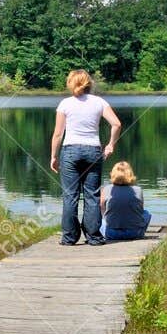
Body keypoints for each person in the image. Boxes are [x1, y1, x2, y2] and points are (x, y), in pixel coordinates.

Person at [49, 69, 121, 246]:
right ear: (89, 83)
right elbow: (117, 124)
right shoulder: (99, 102)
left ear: (71, 83)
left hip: (70, 151)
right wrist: (111, 144)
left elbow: (58, 134)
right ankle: (94, 237)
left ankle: (69, 238)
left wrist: (53, 156)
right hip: (93, 151)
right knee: (92, 196)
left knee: (70, 196)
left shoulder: (65, 104)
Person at [99, 160, 152, 241]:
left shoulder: (106, 189)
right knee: (146, 213)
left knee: (98, 217)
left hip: (111, 233)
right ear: (130, 174)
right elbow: (140, 211)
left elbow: (102, 210)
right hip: (134, 233)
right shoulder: (138, 190)